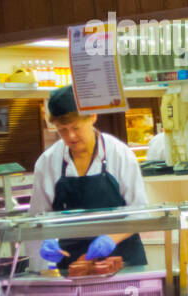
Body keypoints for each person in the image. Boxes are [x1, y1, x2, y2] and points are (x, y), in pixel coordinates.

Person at [29, 86, 149, 272]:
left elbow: (140, 212)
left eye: (76, 127)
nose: (71, 136)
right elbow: (39, 216)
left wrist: (111, 238)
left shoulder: (119, 154)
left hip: (123, 258)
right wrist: (48, 238)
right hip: (73, 262)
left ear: (93, 116)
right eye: (62, 130)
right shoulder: (47, 161)